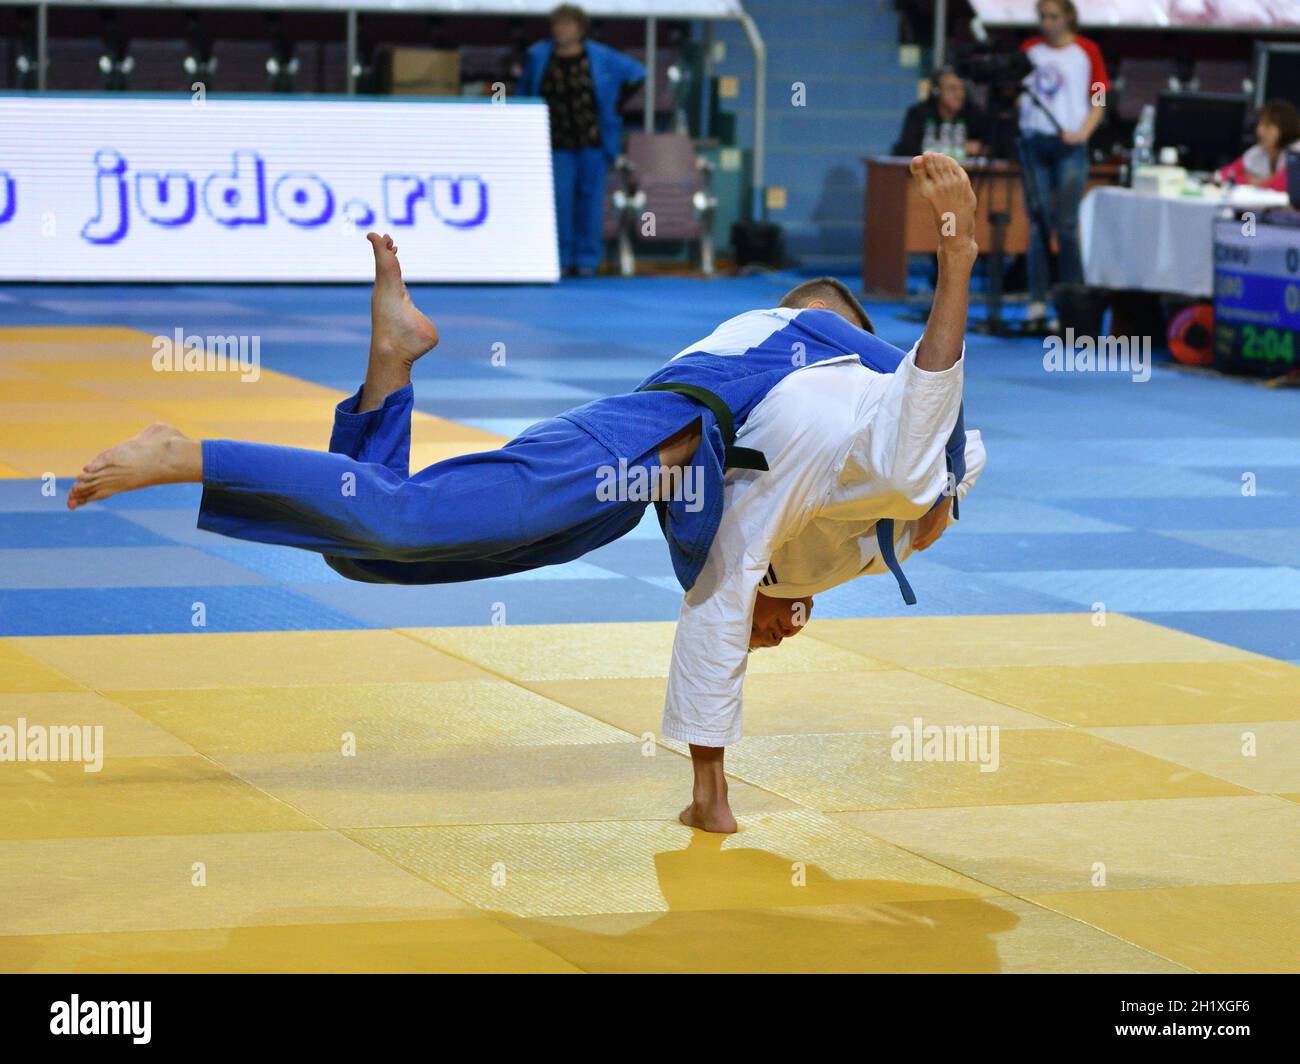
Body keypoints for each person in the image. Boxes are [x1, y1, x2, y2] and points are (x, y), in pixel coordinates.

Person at [68, 153, 986, 835]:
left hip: (618, 488)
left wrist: (812, 578)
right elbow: (747, 587)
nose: (787, 624)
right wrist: (711, 796)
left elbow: (888, 515)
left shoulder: (846, 475)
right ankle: (185, 452)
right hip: (625, 448)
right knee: (403, 521)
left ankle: (391, 364)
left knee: (368, 552)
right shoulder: (822, 367)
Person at [517, 4, 645, 277]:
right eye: (557, 25)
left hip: (593, 141)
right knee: (560, 202)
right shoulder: (539, 54)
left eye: (568, 25)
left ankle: (587, 259)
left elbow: (637, 74)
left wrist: (615, 106)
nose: (562, 30)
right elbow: (522, 89)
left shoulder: (599, 55)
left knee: (590, 202)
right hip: (555, 142)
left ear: (580, 28)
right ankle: (560, 258)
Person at [1017, 0, 1109, 333]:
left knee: (1066, 225)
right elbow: (1017, 93)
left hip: (1070, 145)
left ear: (1068, 17)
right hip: (1034, 142)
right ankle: (1037, 301)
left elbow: (1099, 98)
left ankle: (1072, 303)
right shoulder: (1029, 50)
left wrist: (1083, 132)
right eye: (1042, 17)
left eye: (1053, 17)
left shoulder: (1088, 51)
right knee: (1038, 224)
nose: (1047, 23)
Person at [893, 66, 987, 160]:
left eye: (962, 89)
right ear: (936, 91)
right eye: (952, 88)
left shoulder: (974, 114)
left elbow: (987, 148)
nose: (959, 94)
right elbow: (907, 150)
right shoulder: (919, 113)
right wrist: (955, 149)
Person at [1214, 99, 1300, 192]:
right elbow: (1219, 177)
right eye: (1260, 124)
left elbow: (1281, 186)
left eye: (1268, 126)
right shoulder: (1257, 152)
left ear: (1286, 127)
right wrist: (1253, 181)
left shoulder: (1297, 151)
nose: (1260, 131)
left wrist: (1248, 179)